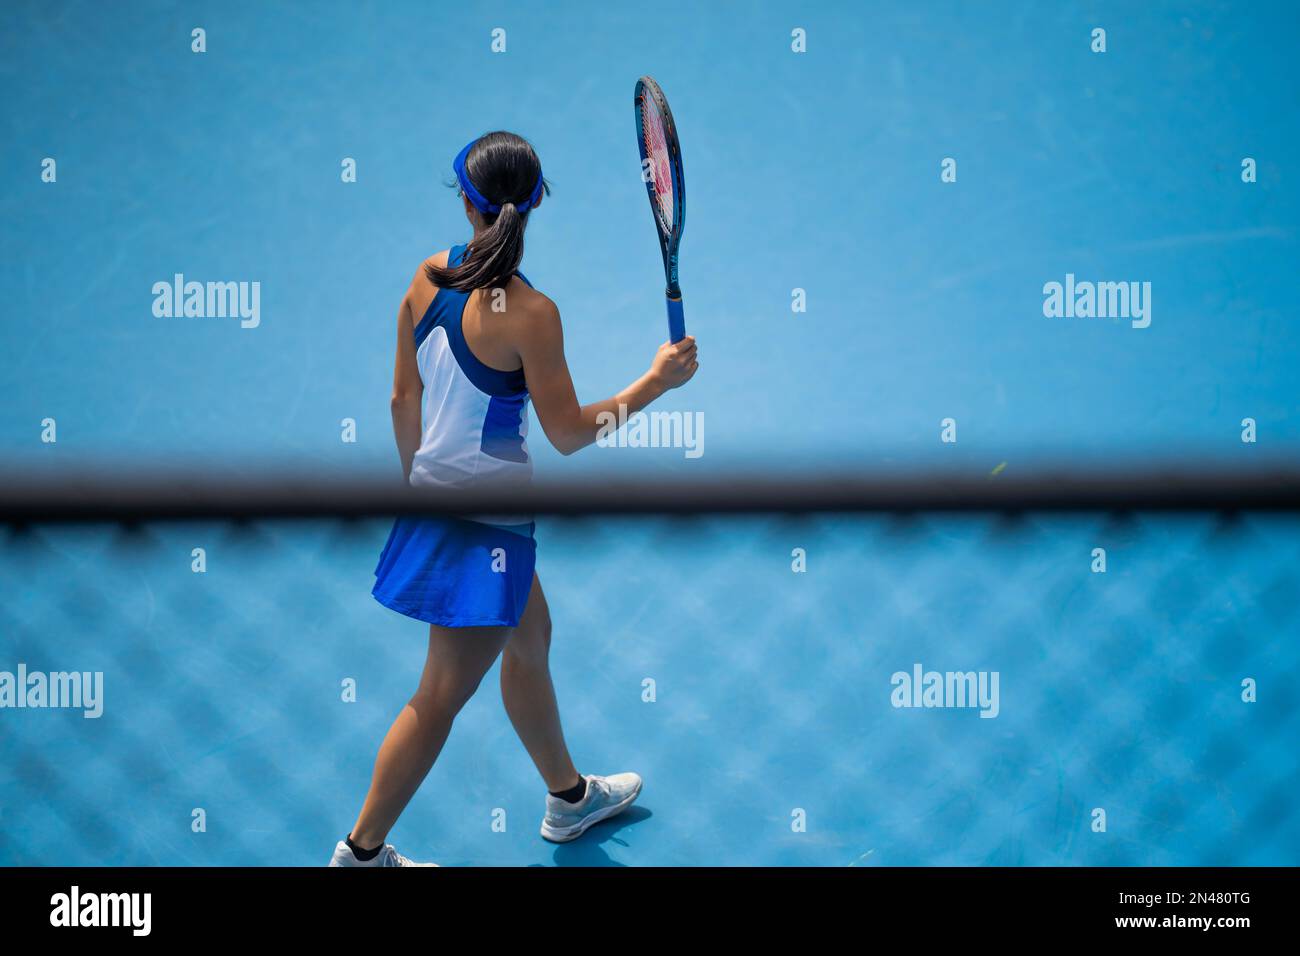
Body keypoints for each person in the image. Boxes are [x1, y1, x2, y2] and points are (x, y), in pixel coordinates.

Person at [330, 131, 699, 866]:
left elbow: (403, 398)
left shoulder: (426, 276)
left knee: (530, 640)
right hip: (487, 527)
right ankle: (360, 854)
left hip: (436, 502)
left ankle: (567, 800)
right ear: (534, 206)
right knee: (438, 697)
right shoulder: (531, 314)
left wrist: (425, 487)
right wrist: (653, 386)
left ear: (466, 202)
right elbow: (567, 434)